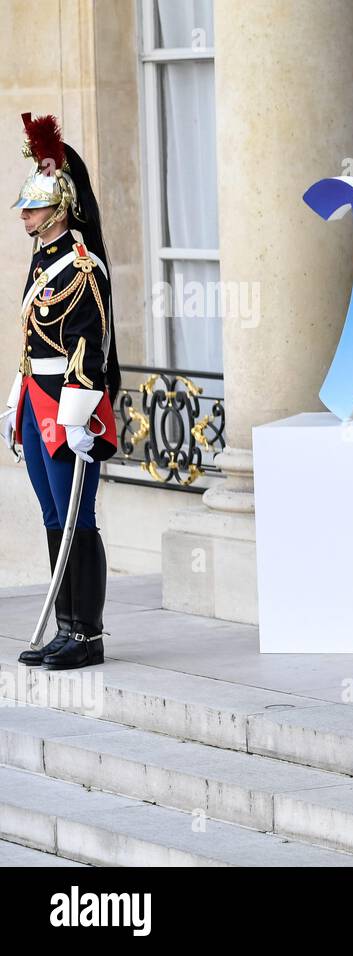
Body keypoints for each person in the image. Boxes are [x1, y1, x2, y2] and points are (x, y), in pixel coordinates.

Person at [1, 113, 118, 670]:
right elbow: (30, 338)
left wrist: (76, 414)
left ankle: (88, 636)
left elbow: (90, 345)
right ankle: (65, 625)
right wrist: (12, 401)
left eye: (34, 206)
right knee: (53, 515)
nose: (25, 214)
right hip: (35, 399)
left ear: (60, 208)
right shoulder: (42, 259)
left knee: (79, 516)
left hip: (69, 405)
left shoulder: (81, 265)